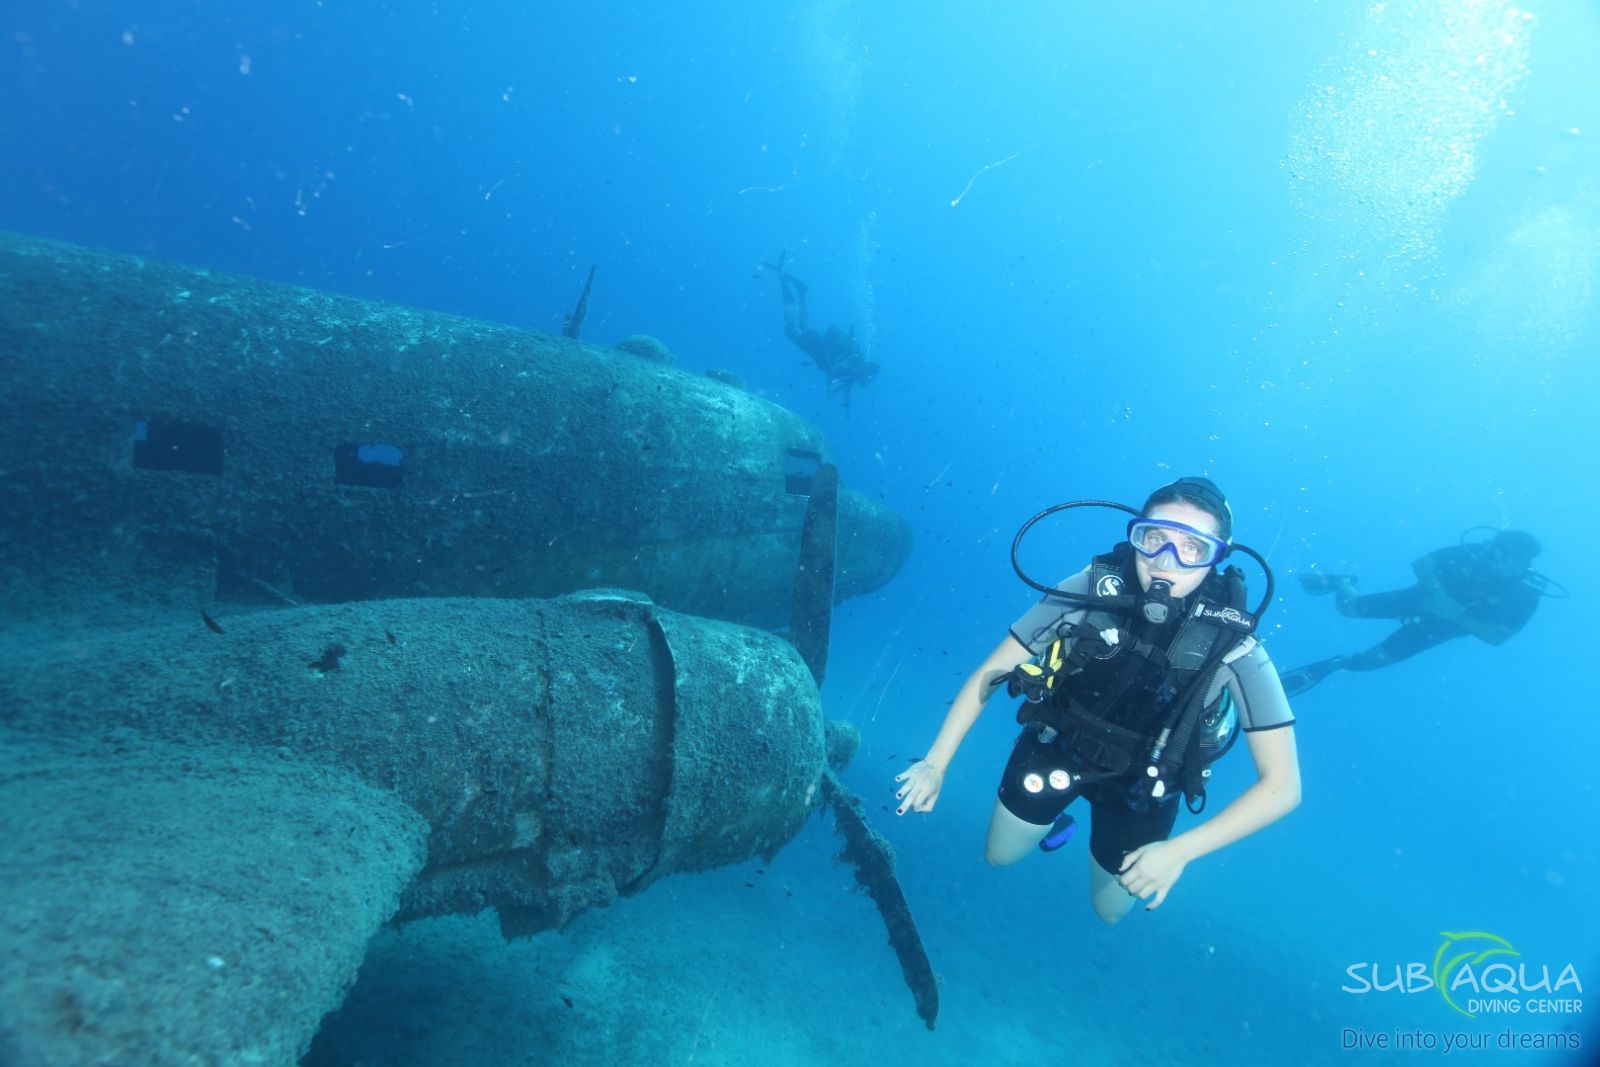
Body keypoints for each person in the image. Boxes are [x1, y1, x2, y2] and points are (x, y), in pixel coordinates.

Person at [894, 477, 1300, 923]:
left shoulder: (1234, 644)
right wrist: (935, 763)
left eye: (1192, 548)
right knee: (999, 857)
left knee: (1109, 911)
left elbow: (1283, 788)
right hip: (1058, 747)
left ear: (1218, 557)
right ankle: (1059, 826)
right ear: (1137, 536)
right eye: (1155, 538)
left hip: (1145, 788)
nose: (1166, 561)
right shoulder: (1089, 590)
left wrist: (1180, 852)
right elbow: (991, 674)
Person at [1280, 529, 1546, 697]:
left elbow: (1497, 637)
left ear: (1521, 563)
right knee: (1348, 609)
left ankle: (1335, 664)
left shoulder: (1525, 595)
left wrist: (1454, 613)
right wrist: (1437, 592)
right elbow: (1422, 563)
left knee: (1372, 662)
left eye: (1499, 556)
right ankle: (1344, 583)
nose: (1488, 559)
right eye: (1490, 550)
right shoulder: (1475, 552)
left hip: (1440, 630)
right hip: (1418, 599)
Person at [757, 251, 879, 407]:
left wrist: (846, 402)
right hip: (818, 349)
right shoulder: (853, 367)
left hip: (820, 348)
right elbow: (835, 369)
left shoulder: (855, 369)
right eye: (869, 379)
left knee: (802, 326)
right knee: (790, 331)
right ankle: (789, 289)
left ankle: (802, 292)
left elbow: (847, 384)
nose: (868, 383)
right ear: (866, 372)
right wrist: (829, 383)